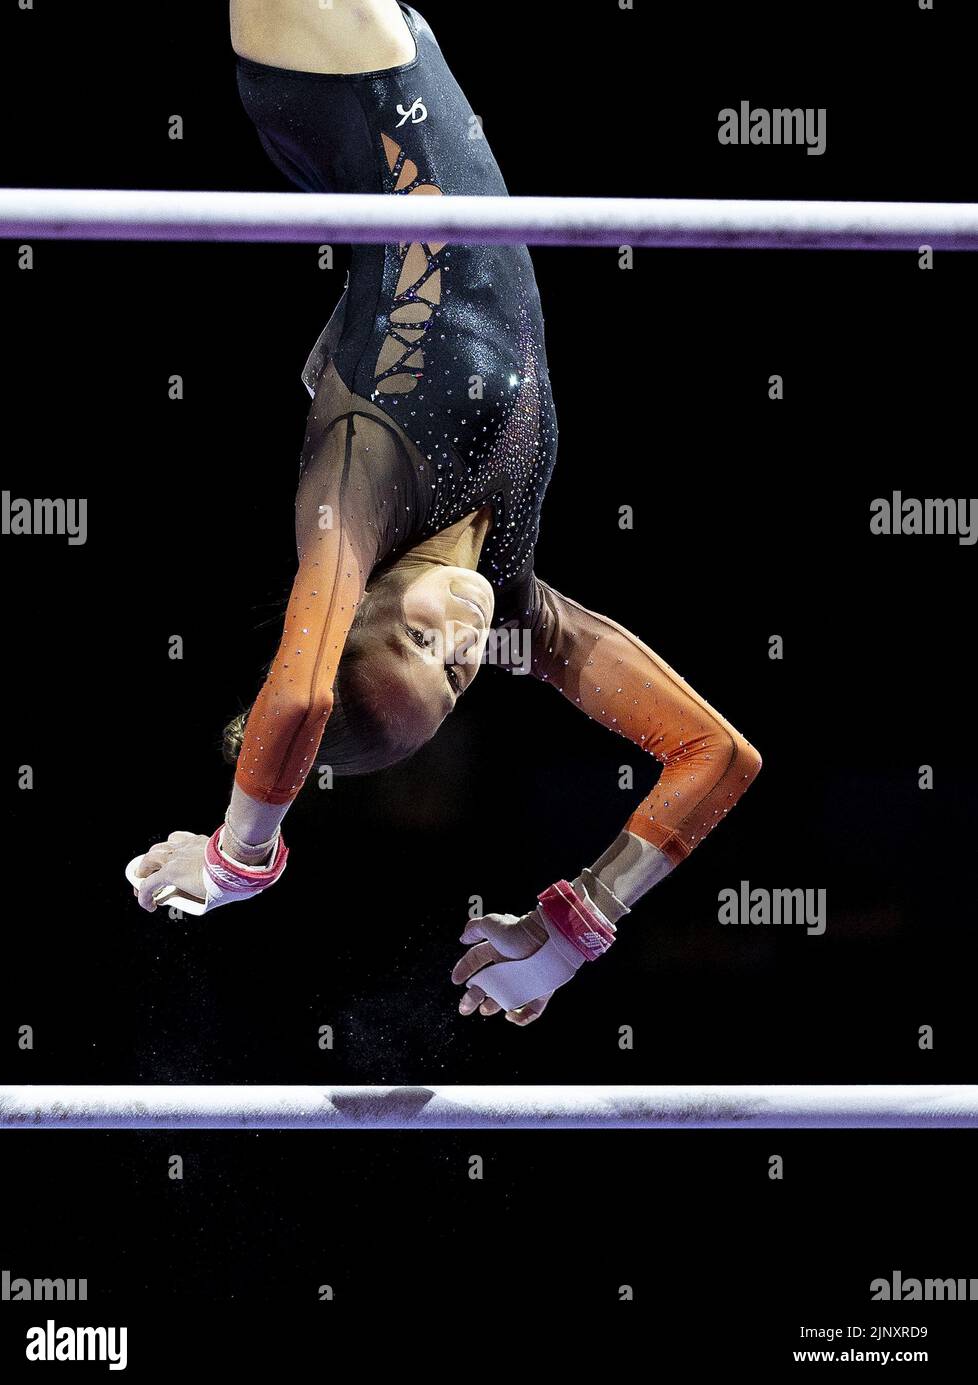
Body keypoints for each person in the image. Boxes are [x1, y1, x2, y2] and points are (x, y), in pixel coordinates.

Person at [132, 1, 762, 1026]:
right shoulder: (509, 594)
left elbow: (297, 703)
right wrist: (580, 921)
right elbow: (715, 756)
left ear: (367, 601)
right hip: (381, 105)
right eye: (463, 674)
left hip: (346, 85)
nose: (469, 638)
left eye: (424, 640)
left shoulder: (356, 488)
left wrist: (240, 853)